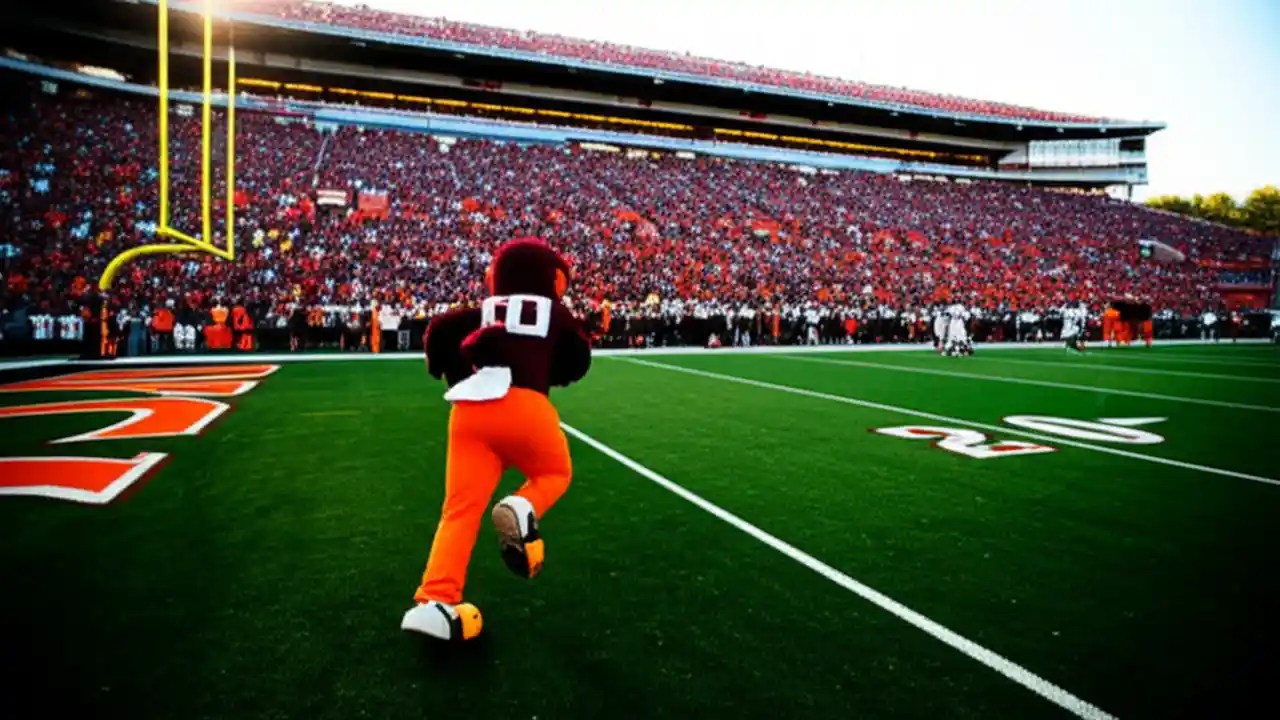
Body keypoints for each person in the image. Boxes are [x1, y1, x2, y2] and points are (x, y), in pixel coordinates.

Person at [402, 238, 592, 642]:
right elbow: (577, 360)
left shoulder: (486, 310)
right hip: (525, 406)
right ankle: (524, 504)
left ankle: (436, 600)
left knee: (459, 511)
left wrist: (453, 372)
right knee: (554, 474)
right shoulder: (553, 311)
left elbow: (439, 332)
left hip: (469, 411)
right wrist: (547, 368)